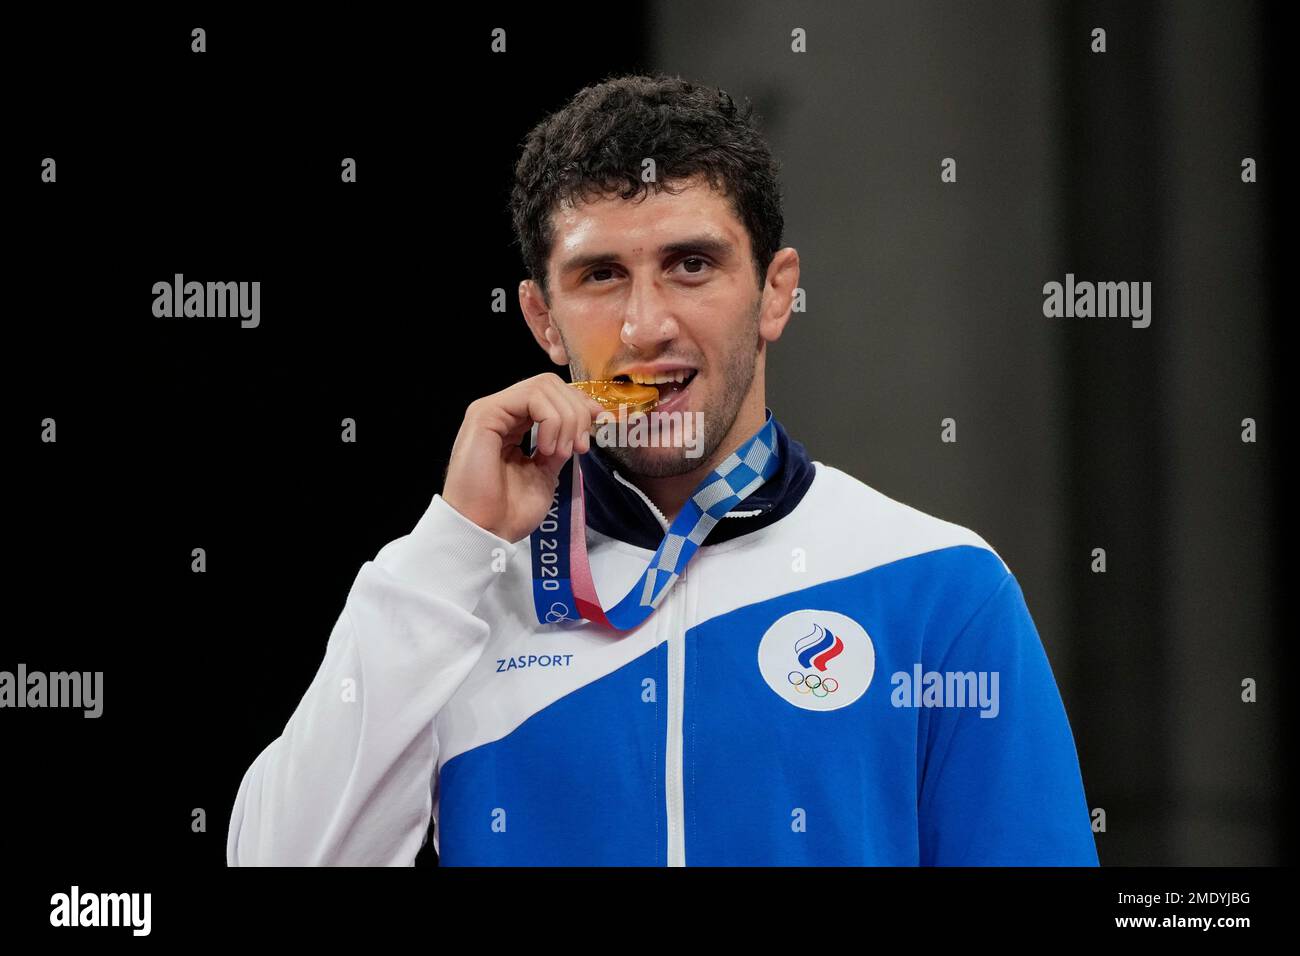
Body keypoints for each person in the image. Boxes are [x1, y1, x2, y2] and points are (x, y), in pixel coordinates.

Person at [226, 73, 1098, 866]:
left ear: (777, 292)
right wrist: (451, 548)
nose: (646, 327)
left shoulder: (940, 586)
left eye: (691, 265)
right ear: (544, 321)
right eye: (601, 276)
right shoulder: (456, 598)